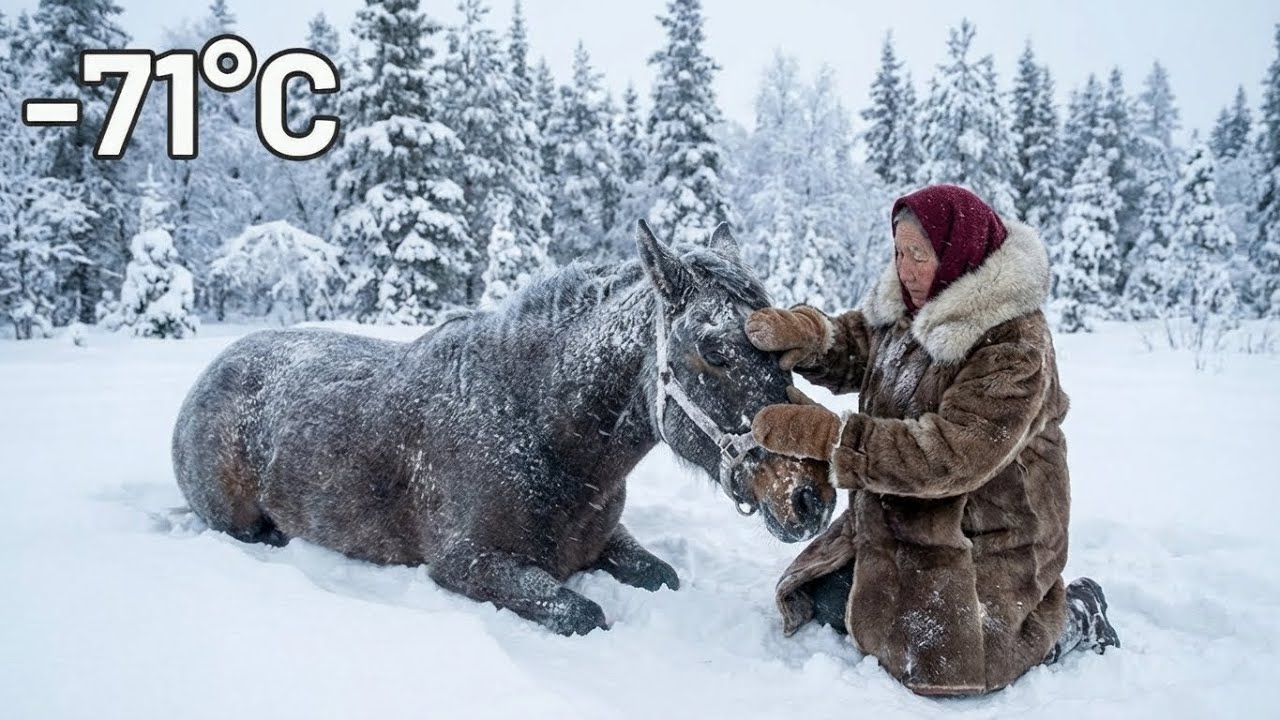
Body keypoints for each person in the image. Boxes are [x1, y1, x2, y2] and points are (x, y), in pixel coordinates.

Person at [745, 184, 1119, 697]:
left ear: (958, 250)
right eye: (899, 252)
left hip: (992, 531)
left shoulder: (1012, 343)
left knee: (947, 666)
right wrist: (814, 338)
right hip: (905, 513)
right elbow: (861, 347)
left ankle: (1075, 616)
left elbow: (949, 454)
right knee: (826, 601)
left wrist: (832, 438)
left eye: (920, 254)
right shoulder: (909, 304)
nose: (907, 268)